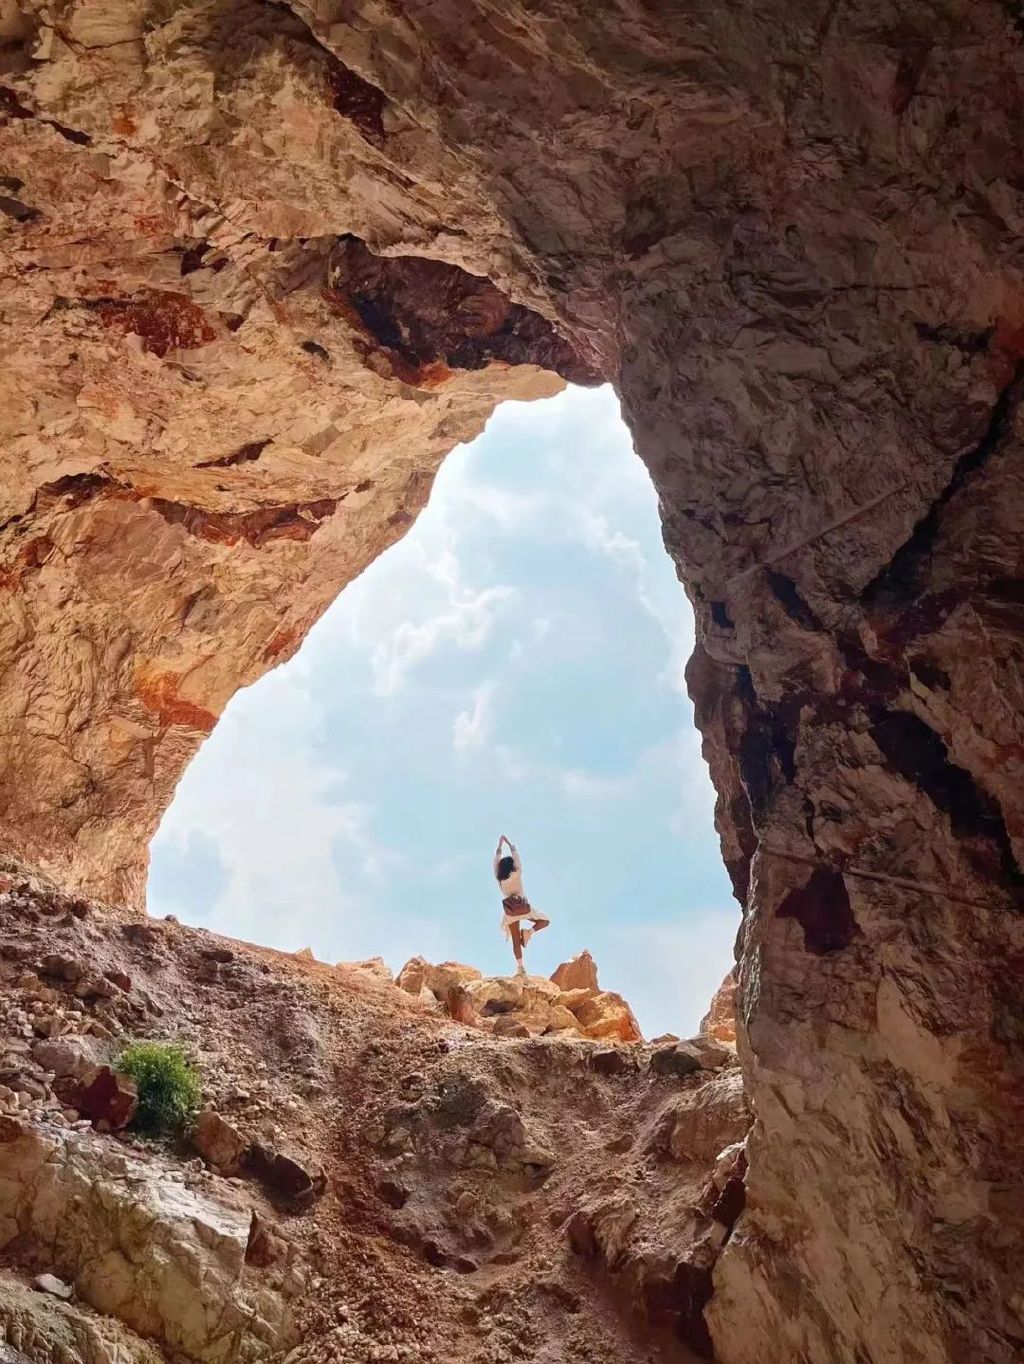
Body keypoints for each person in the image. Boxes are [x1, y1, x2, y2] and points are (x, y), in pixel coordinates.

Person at [494, 834, 550, 976]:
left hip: (510, 912)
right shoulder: (517, 872)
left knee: (515, 941)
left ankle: (520, 968)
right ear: (512, 865)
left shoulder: (500, 878)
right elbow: (516, 857)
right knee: (545, 920)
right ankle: (528, 933)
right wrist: (508, 843)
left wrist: (499, 847)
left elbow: (495, 862)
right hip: (523, 907)